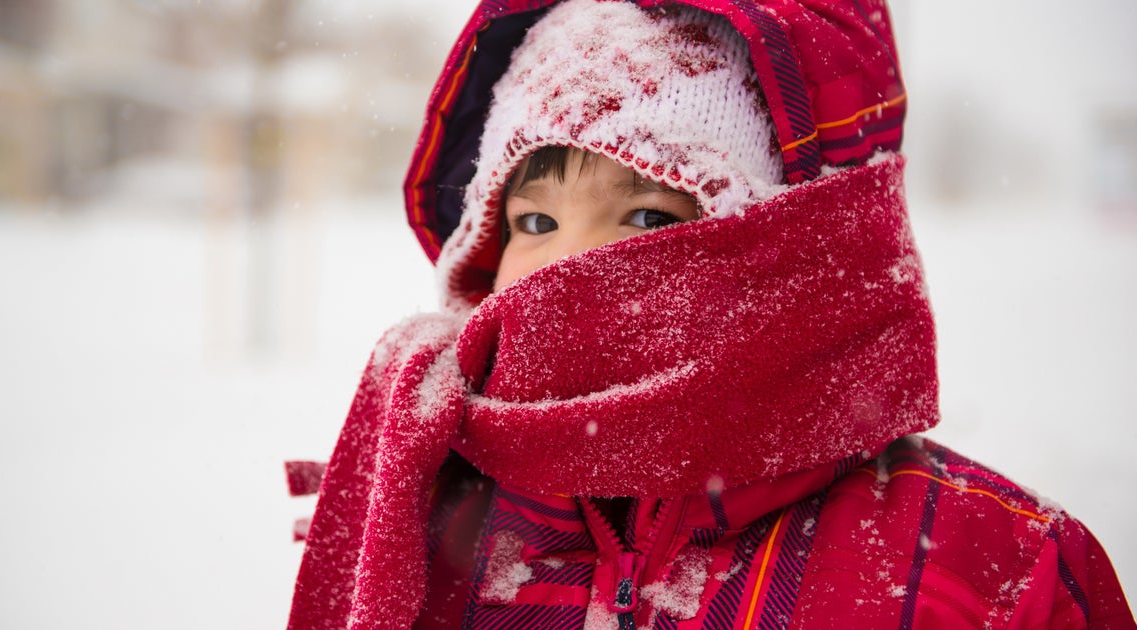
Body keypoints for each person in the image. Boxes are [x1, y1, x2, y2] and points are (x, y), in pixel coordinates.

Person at [287, 1, 1135, 627]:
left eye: (649, 216)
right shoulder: (423, 522)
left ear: (798, 254)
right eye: (535, 223)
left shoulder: (989, 569)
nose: (570, 266)